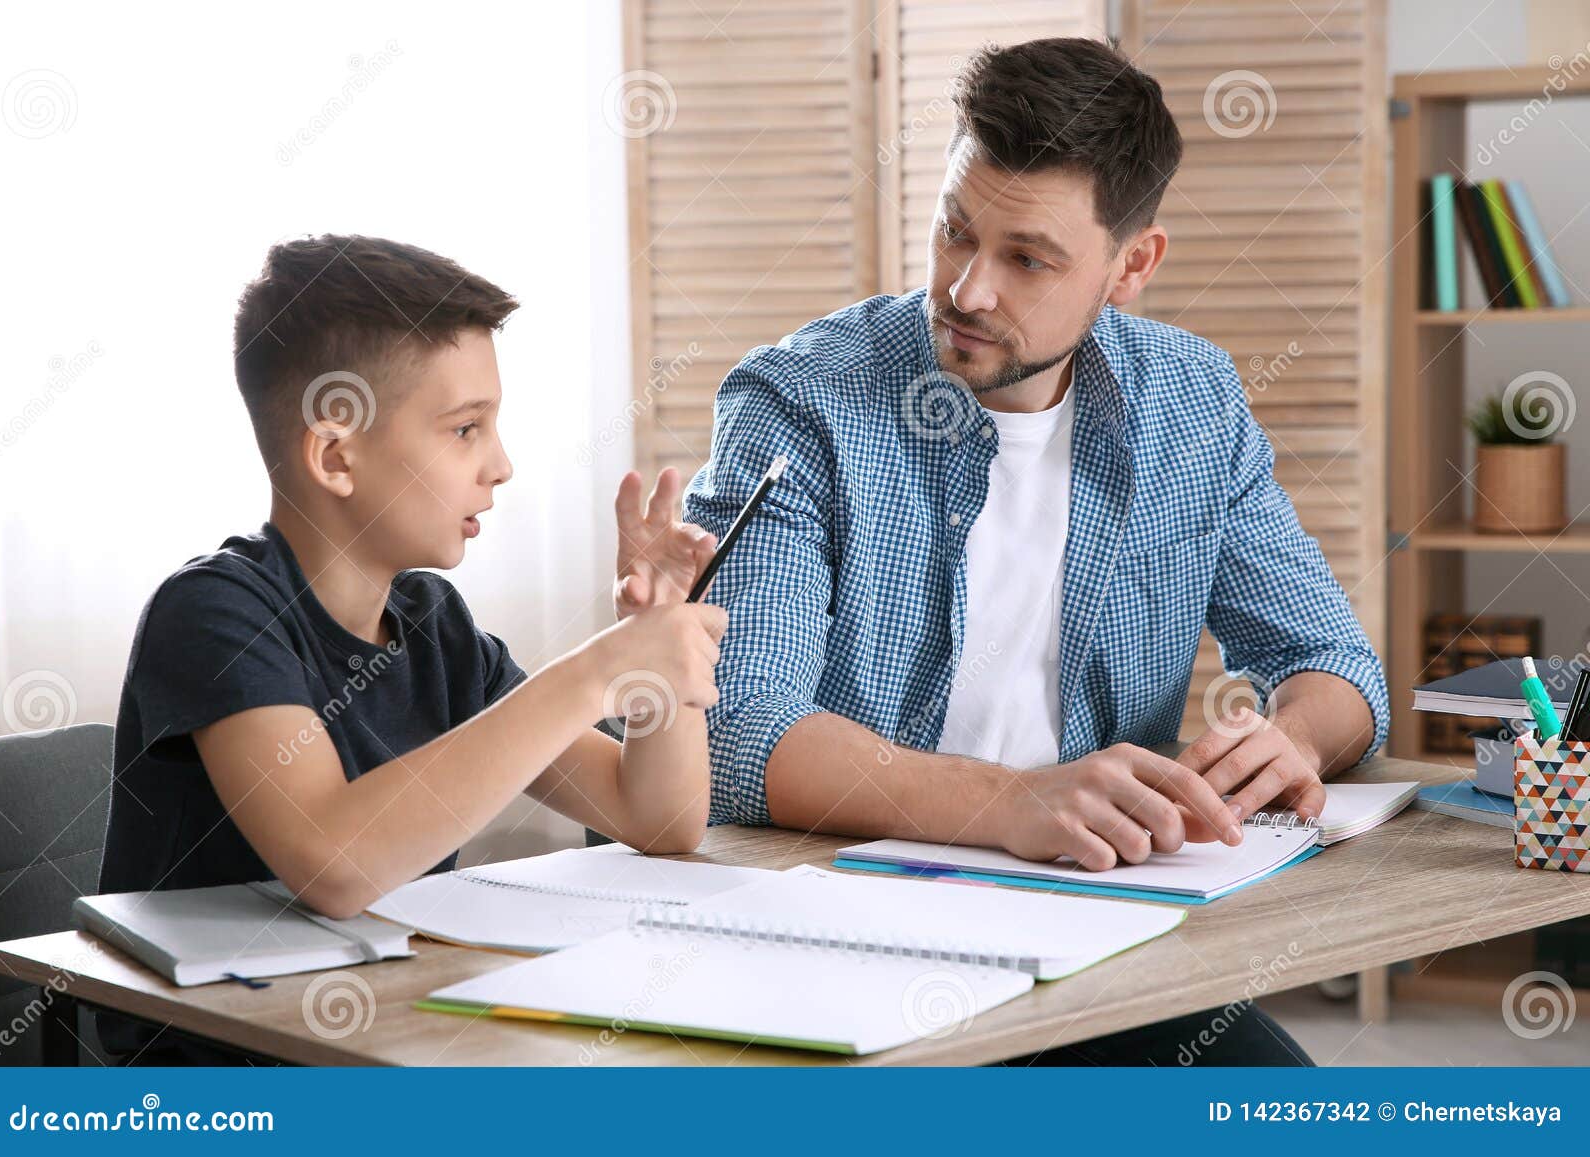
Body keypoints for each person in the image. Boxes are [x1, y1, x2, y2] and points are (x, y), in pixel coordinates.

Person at [684, 37, 1388, 1067]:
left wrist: (1292, 738)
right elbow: (738, 727)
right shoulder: (799, 402)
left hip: (1091, 928)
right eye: (954, 231)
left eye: (1026, 259)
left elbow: (1335, 664)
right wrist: (1013, 802)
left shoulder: (1191, 403)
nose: (968, 290)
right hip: (833, 929)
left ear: (1131, 266)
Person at [99, 234, 724, 1061]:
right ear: (335, 456)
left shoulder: (434, 625)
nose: (501, 465)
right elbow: (334, 863)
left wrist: (656, 654)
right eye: (466, 429)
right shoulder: (213, 613)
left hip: (384, 1036)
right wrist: (593, 671)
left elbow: (658, 818)